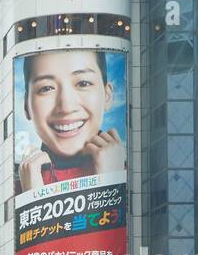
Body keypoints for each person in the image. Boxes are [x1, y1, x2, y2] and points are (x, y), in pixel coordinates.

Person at [17, 49, 124, 196]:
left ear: (107, 95)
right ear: (26, 106)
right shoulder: (15, 187)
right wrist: (31, 197)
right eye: (46, 88)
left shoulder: (135, 174)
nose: (66, 107)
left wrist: (113, 183)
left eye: (83, 83)